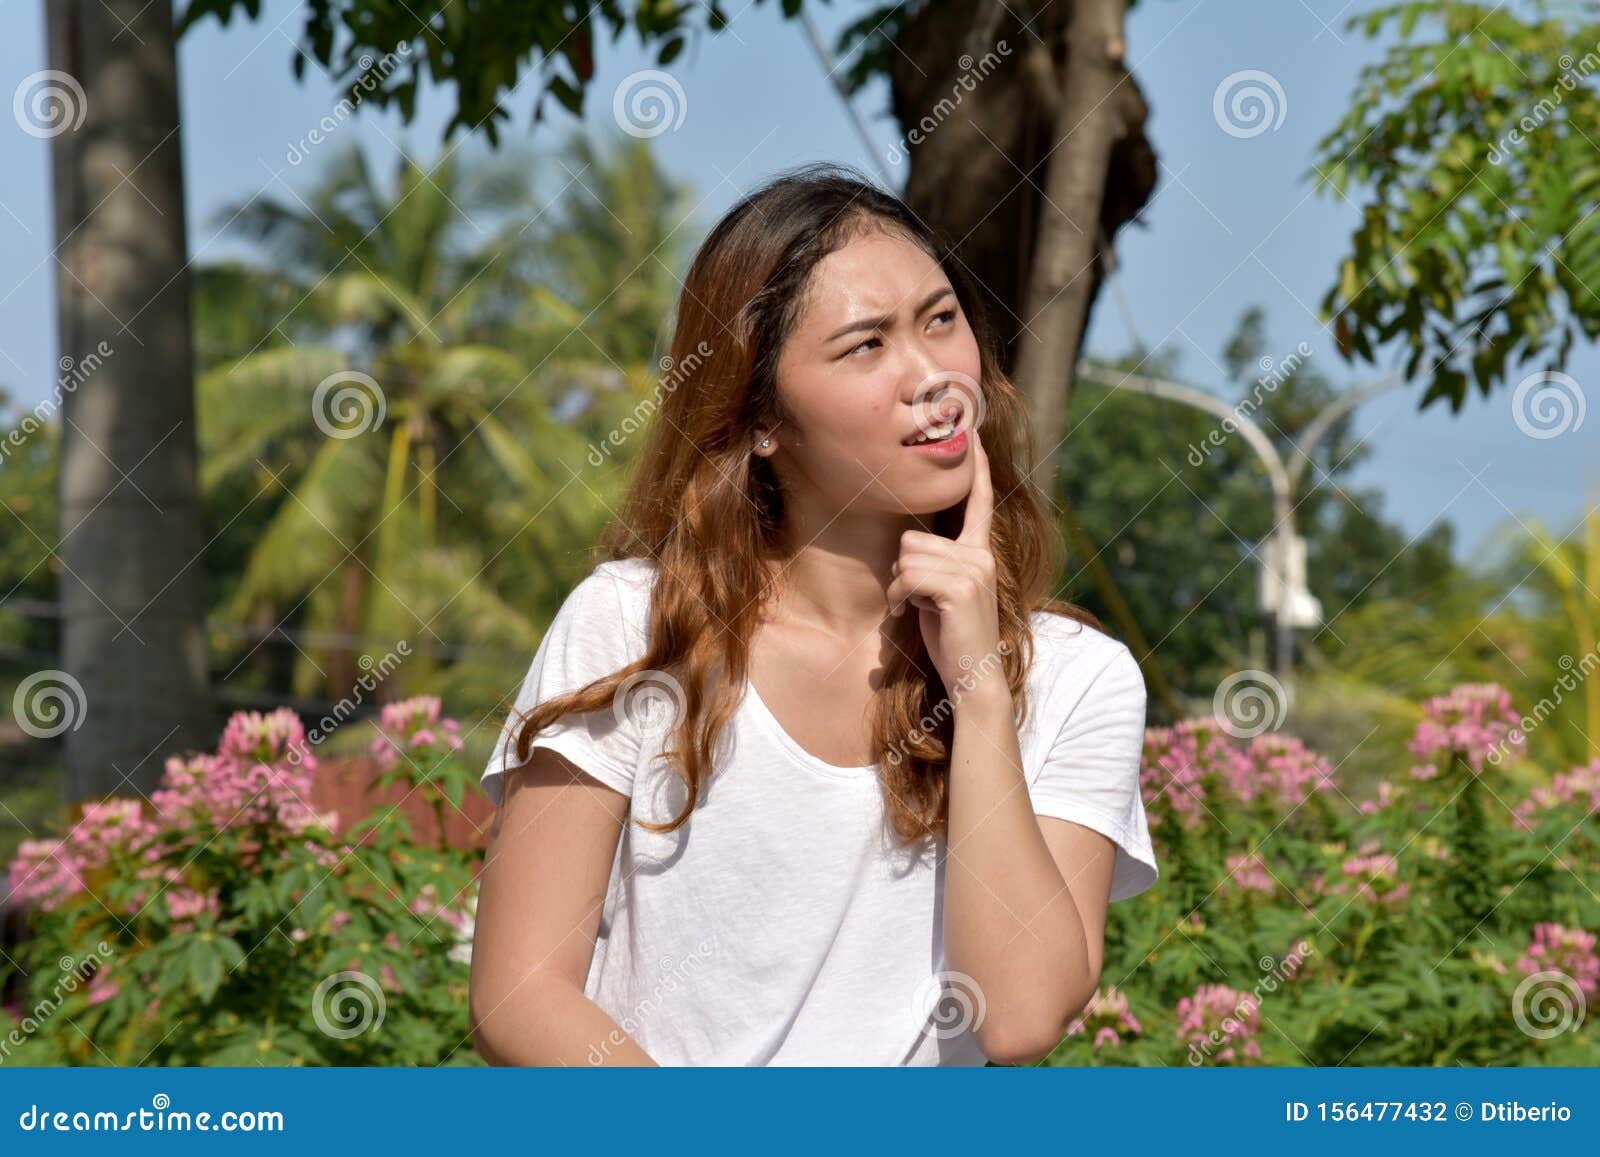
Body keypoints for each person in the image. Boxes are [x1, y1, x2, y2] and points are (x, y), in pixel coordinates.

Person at [469, 163, 1157, 1067]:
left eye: (941, 319)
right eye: (866, 345)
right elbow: (521, 994)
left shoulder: (1080, 677)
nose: (932, 376)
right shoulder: (631, 626)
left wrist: (979, 692)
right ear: (761, 419)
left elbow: (1018, 1019)